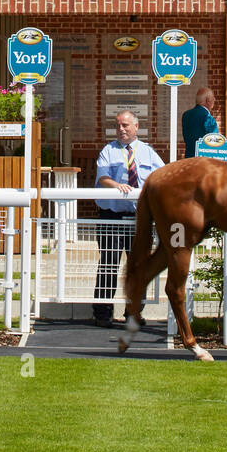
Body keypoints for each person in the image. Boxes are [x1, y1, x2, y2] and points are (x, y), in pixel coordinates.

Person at [92, 111, 165, 326]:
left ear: (136, 126)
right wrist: (117, 186)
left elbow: (161, 176)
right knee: (108, 263)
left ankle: (133, 312)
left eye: (125, 125)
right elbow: (103, 177)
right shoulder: (109, 151)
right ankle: (102, 313)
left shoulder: (148, 152)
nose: (121, 129)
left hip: (138, 218)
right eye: (118, 126)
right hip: (111, 216)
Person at [181, 87, 218, 158]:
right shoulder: (207, 117)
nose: (214, 100)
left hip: (189, 157)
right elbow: (215, 142)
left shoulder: (186, 115)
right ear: (208, 100)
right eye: (213, 98)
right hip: (204, 159)